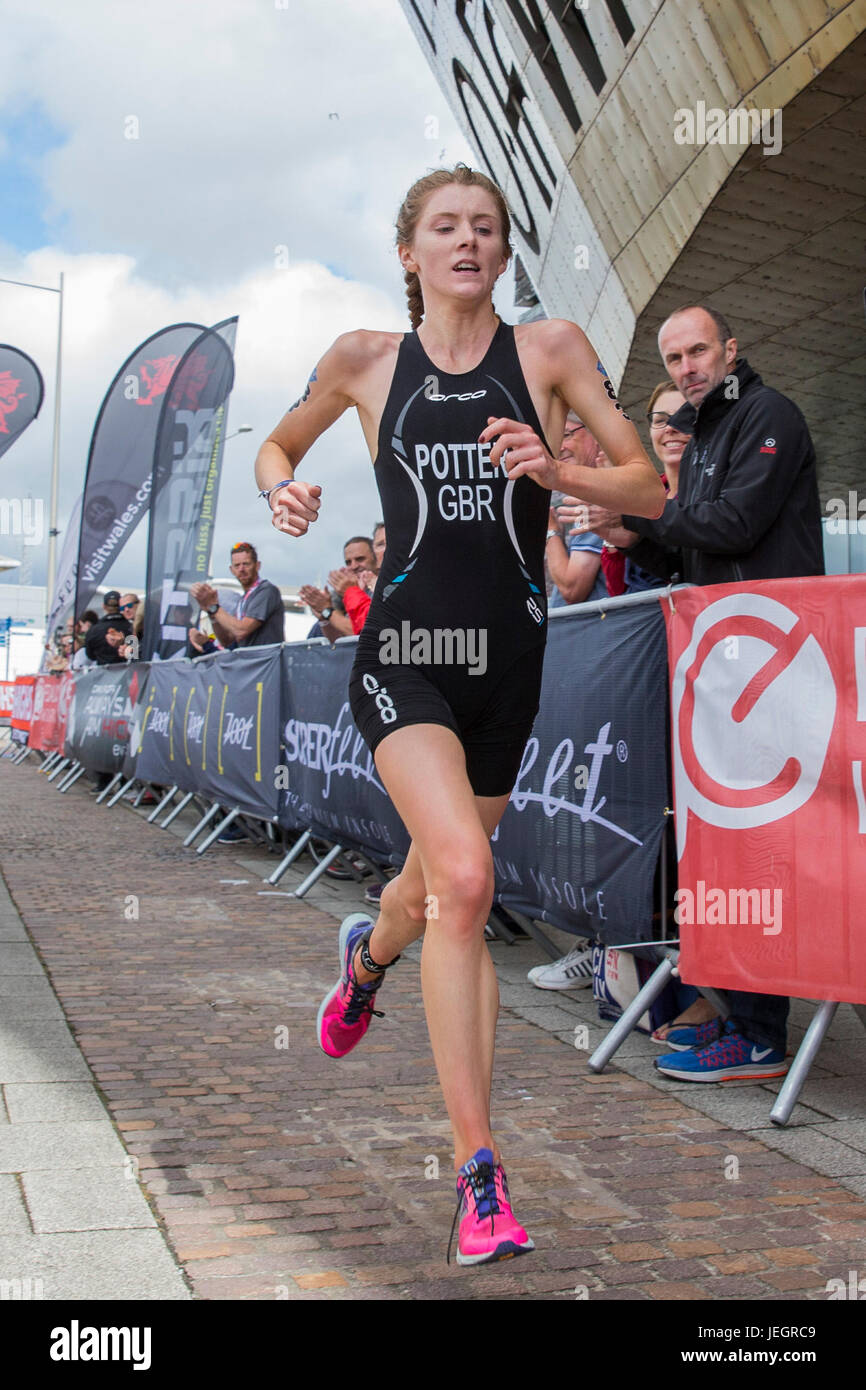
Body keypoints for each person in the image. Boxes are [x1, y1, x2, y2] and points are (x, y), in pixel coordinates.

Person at [254, 164, 664, 1265]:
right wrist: (280, 484)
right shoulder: (364, 360)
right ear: (410, 251)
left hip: (506, 669)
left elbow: (648, 487)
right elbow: (278, 442)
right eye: (444, 227)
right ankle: (477, 1175)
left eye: (483, 227)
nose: (466, 241)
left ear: (501, 249)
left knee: (432, 887)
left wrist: (554, 466)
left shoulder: (550, 352)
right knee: (470, 884)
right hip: (404, 662)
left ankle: (365, 963)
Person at [583, 303, 824, 1082]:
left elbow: (733, 524)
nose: (687, 367)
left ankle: (763, 1038)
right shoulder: (709, 430)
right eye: (675, 356)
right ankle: (744, 1019)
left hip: (777, 671)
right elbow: (702, 542)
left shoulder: (768, 413)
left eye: (698, 351)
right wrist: (646, 532)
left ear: (730, 348)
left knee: (767, 857)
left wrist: (644, 520)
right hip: (726, 671)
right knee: (726, 855)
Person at [545, 413, 609, 608]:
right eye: (553, 441)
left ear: (597, 436)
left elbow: (572, 588)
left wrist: (549, 530)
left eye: (566, 435)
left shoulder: (598, 494)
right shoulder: (578, 495)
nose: (559, 448)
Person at [190, 542, 284, 649]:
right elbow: (228, 641)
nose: (241, 569)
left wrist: (214, 607)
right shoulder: (242, 600)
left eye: (246, 564)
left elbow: (241, 631)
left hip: (266, 664)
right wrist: (211, 613)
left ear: (257, 566)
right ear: (231, 570)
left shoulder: (266, 591)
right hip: (249, 663)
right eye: (237, 565)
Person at [300, 535, 377, 641]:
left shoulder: (382, 590)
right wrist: (323, 617)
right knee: (318, 628)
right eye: (348, 562)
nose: (353, 566)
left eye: (360, 559)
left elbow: (366, 632)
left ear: (376, 559)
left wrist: (327, 610)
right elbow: (337, 640)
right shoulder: (342, 594)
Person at [84, 590, 132, 666]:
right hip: (128, 674)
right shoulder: (131, 627)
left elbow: (90, 655)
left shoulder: (94, 630)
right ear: (121, 606)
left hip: (102, 674)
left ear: (104, 606)